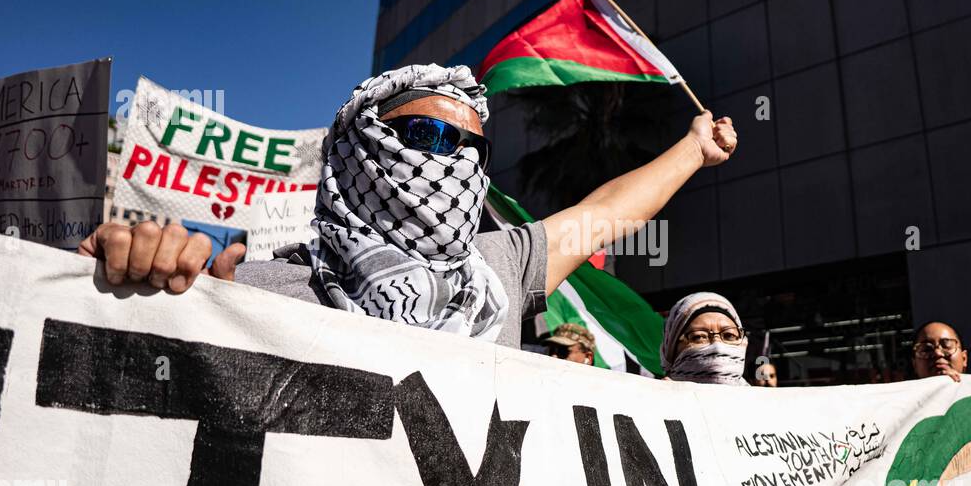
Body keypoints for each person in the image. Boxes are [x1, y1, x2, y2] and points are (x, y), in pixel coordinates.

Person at [77, 63, 737, 349]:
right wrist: (117, 280)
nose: (451, 159)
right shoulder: (253, 290)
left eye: (470, 146)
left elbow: (604, 214)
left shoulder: (498, 268)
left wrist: (693, 149)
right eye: (426, 134)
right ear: (360, 148)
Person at [660, 292, 747, 386]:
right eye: (699, 337)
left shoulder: (754, 394)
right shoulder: (654, 393)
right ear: (671, 349)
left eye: (729, 335)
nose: (717, 347)